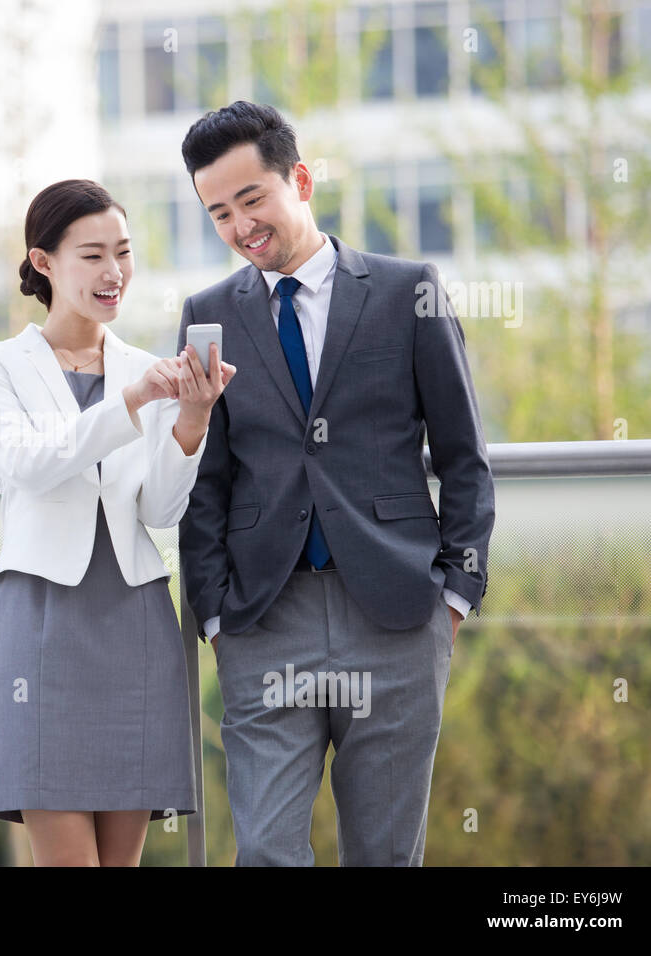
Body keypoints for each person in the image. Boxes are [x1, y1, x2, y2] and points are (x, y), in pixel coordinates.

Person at [175, 102, 495, 865]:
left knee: (385, 855)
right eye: (219, 212)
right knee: (267, 853)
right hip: (263, 620)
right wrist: (214, 615)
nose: (240, 225)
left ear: (301, 181)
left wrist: (455, 596)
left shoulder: (406, 291)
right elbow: (202, 481)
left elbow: (463, 457)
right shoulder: (207, 316)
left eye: (252, 199)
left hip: (395, 612)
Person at [0, 179, 235, 866]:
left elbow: (159, 510)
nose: (114, 273)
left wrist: (191, 423)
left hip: (134, 618)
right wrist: (134, 403)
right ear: (45, 263)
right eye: (92, 256)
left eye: (123, 252)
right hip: (43, 620)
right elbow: (30, 465)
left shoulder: (145, 369)